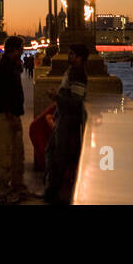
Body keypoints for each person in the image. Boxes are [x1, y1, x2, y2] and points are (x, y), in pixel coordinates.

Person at [43, 44, 89, 204]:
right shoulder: (73, 71)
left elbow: (75, 102)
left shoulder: (78, 74)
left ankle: (53, 192)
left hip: (68, 121)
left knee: (58, 157)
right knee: (53, 152)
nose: (68, 56)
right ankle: (51, 189)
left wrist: (56, 97)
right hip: (63, 118)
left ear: (80, 58)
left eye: (72, 54)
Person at [0, 35, 28, 204]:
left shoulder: (11, 65)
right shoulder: (3, 67)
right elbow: (2, 93)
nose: (23, 51)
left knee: (17, 154)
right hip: (4, 115)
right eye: (21, 48)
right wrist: (10, 115)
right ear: (14, 49)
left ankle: (17, 187)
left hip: (13, 114)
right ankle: (4, 192)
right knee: (5, 156)